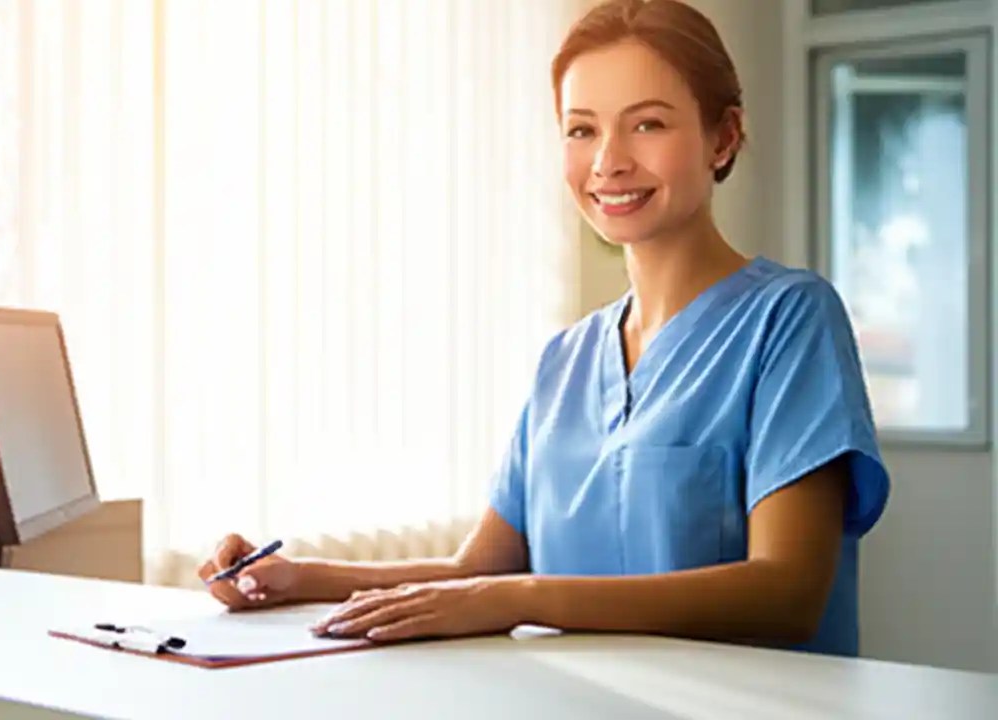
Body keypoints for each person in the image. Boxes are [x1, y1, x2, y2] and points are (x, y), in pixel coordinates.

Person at [196, 0, 890, 657]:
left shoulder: (789, 319)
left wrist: (522, 598)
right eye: (582, 129)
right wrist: (295, 578)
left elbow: (786, 592)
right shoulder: (567, 359)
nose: (609, 161)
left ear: (724, 137)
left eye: (648, 125)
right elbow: (477, 572)